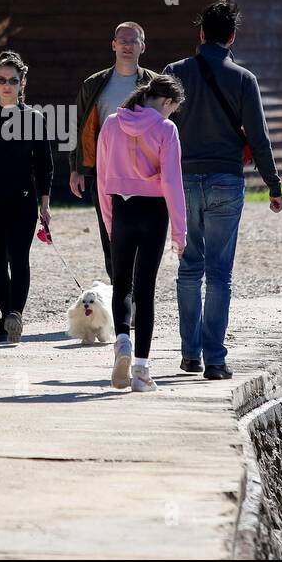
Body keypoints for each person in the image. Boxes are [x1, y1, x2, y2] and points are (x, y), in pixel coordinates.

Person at [163, 0, 282, 381]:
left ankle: (189, 354)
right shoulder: (244, 80)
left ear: (201, 34)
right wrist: (273, 184)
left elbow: (155, 126)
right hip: (226, 182)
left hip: (182, 181)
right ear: (232, 37)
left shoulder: (173, 73)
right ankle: (215, 359)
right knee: (219, 273)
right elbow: (260, 139)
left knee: (189, 267)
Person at [96, 74, 188, 393]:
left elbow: (102, 178)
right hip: (154, 211)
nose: (171, 115)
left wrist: (109, 223)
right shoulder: (166, 129)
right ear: (166, 102)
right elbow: (173, 184)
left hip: (121, 208)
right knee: (146, 289)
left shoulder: (110, 124)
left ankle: (122, 340)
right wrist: (180, 233)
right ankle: (141, 372)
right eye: (172, 109)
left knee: (122, 283)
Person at [0, 51, 54, 343]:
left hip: (23, 199)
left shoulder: (34, 118)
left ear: (22, 83)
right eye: (1, 80)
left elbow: (44, 163)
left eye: (13, 80)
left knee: (18, 257)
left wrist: (45, 204)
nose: (7, 85)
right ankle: (6, 317)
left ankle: (15, 312)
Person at [69, 22, 157, 280]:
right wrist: (76, 169)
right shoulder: (94, 85)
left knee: (145, 235)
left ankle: (139, 295)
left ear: (143, 46)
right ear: (113, 45)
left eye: (133, 41)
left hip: (145, 173)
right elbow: (78, 127)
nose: (127, 45)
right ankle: (121, 295)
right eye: (123, 40)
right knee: (111, 234)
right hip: (105, 171)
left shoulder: (154, 84)